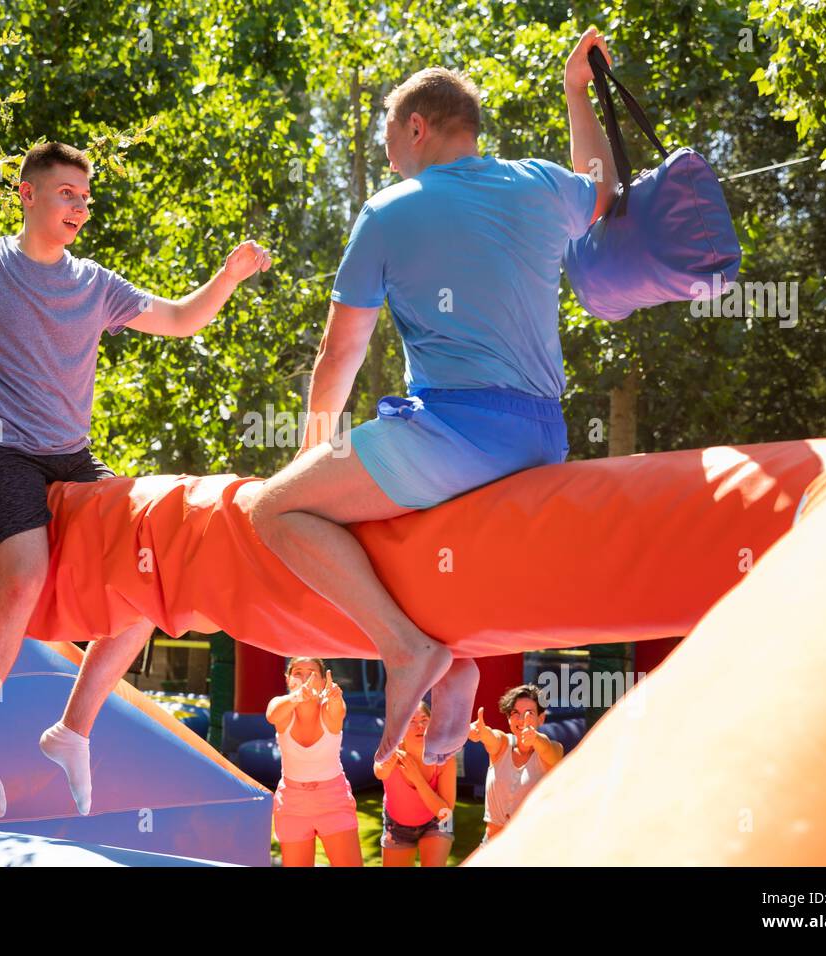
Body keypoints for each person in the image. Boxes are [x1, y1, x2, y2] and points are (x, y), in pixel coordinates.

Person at [248, 28, 620, 771]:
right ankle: (454, 673)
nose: (389, 153)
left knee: (274, 509)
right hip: (544, 433)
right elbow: (604, 186)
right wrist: (577, 90)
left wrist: (313, 453)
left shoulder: (391, 209)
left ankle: (408, 649)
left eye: (390, 136)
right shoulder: (542, 184)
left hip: (457, 430)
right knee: (427, 536)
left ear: (416, 127)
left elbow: (339, 352)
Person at [0, 141, 271, 819]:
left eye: (86, 199)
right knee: (24, 575)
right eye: (67, 194)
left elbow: (179, 319)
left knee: (153, 575)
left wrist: (228, 278)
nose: (80, 209)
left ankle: (73, 730)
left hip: (73, 456)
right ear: (27, 195)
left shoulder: (94, 283)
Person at [265, 657, 363, 867]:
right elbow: (272, 715)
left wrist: (336, 697)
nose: (305, 678)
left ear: (322, 681)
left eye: (312, 673)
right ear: (288, 679)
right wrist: (297, 697)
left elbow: (339, 710)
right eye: (298, 672)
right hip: (292, 804)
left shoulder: (330, 707)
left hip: (333, 801)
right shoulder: (281, 706)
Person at [470, 684, 564, 844]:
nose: (521, 720)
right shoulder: (503, 744)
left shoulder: (552, 749)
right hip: (492, 846)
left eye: (529, 713)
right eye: (515, 713)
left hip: (529, 850)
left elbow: (549, 749)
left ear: (541, 719)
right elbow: (492, 737)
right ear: (508, 718)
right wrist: (482, 733)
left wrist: (535, 738)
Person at [374, 701, 457, 867]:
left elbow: (445, 812)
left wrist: (417, 779)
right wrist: (386, 766)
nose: (419, 726)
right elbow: (379, 771)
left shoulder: (444, 757)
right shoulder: (391, 750)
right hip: (396, 825)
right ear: (401, 728)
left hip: (438, 821)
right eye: (411, 721)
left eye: (424, 720)